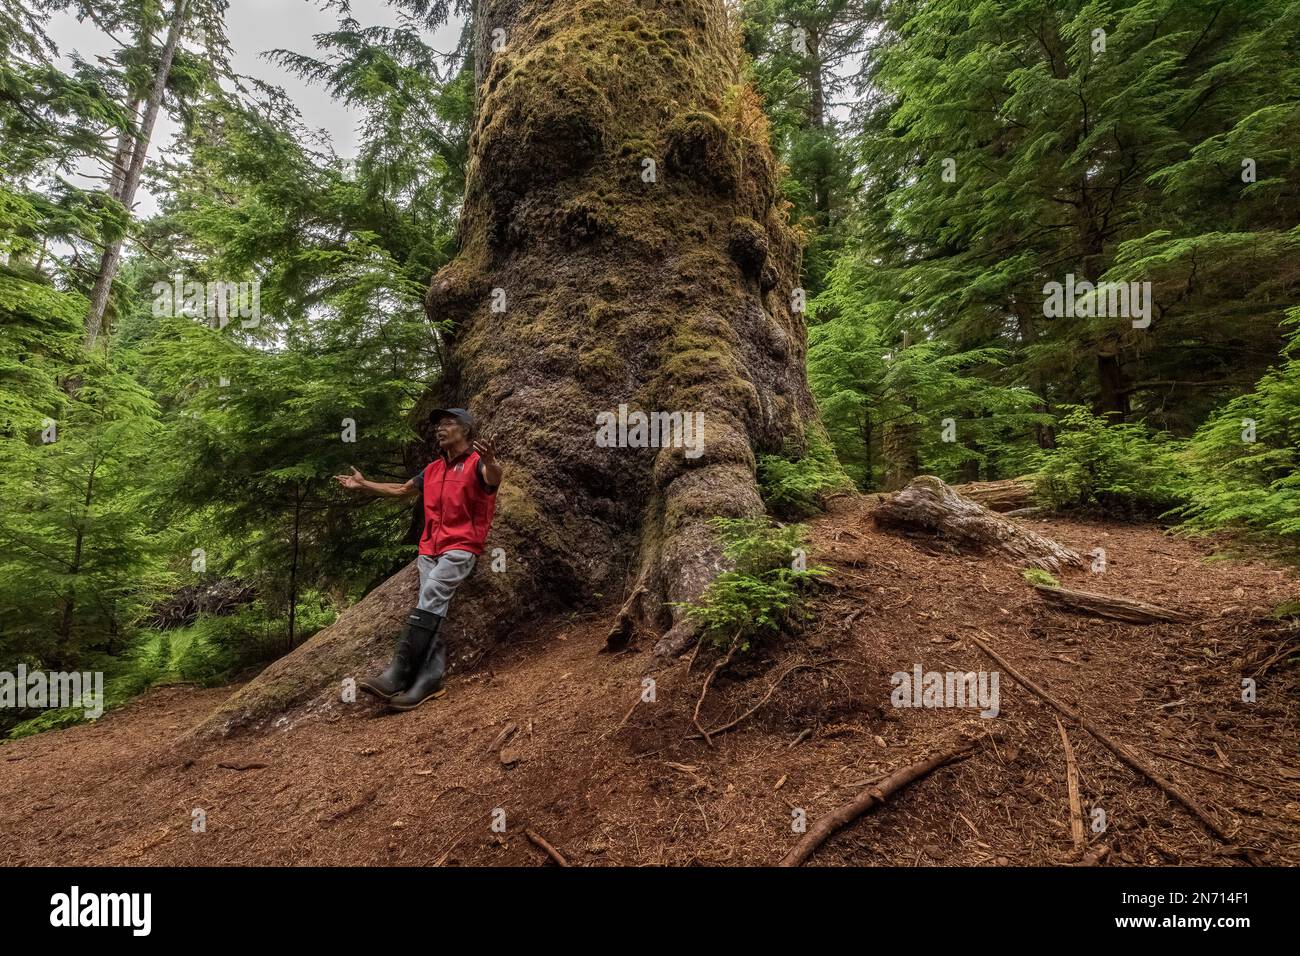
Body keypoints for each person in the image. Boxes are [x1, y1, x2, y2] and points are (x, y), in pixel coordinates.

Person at [333, 408, 501, 709]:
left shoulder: (478, 465)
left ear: (466, 430)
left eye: (448, 423)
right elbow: (400, 489)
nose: (440, 429)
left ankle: (399, 672)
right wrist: (364, 484)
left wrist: (490, 461)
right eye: (438, 424)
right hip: (429, 550)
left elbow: (493, 478)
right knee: (431, 605)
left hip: (461, 546)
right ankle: (430, 679)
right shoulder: (433, 469)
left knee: (433, 594)